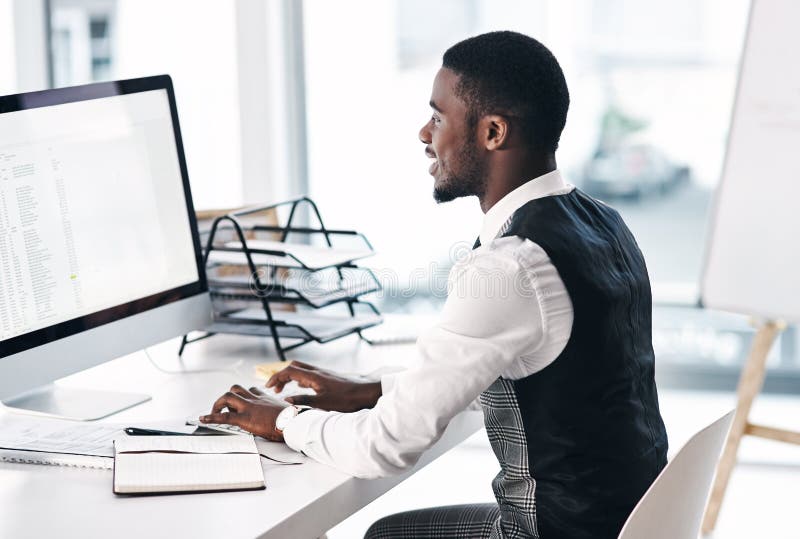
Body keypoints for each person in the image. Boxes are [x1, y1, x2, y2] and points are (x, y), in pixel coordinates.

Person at [200, 30, 668, 539]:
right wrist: (373, 390)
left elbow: (383, 445)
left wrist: (282, 421)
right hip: (620, 523)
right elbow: (545, 375)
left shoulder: (510, 265)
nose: (424, 133)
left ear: (493, 133)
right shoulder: (605, 224)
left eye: (439, 118)